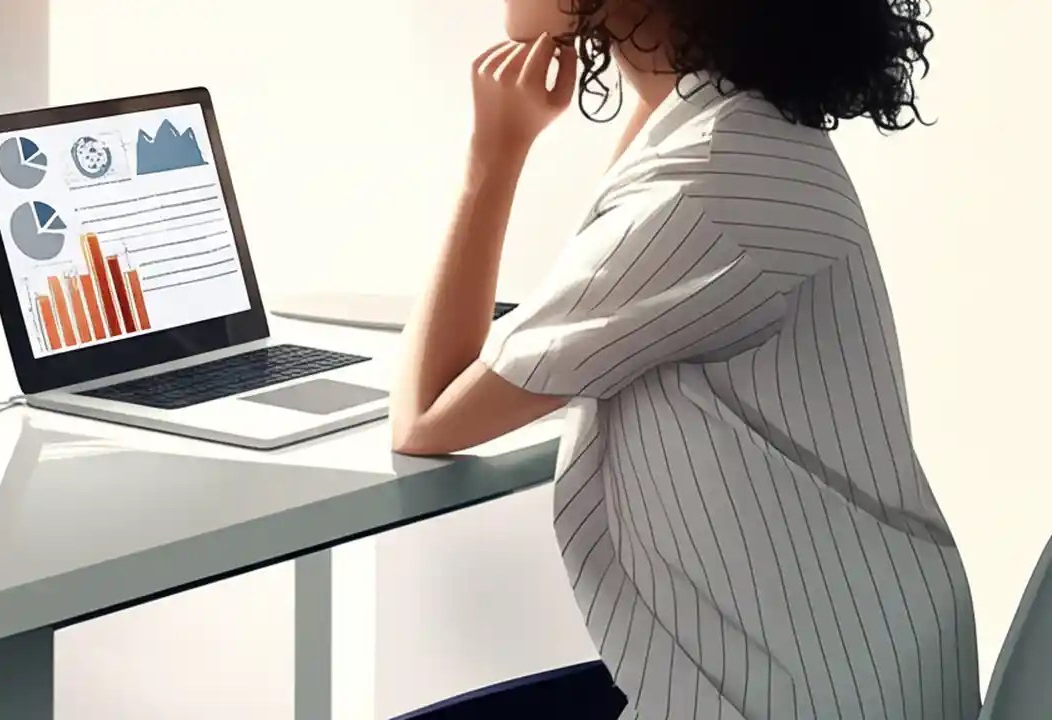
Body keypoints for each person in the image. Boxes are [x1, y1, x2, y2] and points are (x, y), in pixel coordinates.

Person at [388, 0, 979, 718]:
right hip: (853, 667)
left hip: (790, 693)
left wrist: (493, 158)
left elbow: (425, 418)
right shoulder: (730, 126)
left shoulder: (704, 185)